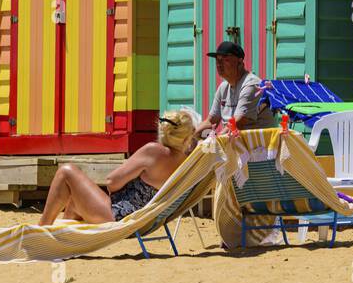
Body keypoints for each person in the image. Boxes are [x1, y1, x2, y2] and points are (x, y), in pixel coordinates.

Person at [38, 110, 197, 225]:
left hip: (119, 215)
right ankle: (64, 242)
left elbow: (112, 182)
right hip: (144, 221)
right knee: (74, 201)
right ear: (186, 137)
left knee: (66, 171)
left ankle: (41, 230)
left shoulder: (153, 151)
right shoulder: (185, 162)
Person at [194, 41, 275, 135]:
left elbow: (237, 123)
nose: (219, 64)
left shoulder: (252, 85)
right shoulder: (223, 88)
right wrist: (190, 136)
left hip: (256, 146)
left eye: (225, 59)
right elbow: (211, 121)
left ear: (240, 62)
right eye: (217, 60)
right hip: (233, 142)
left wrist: (216, 141)